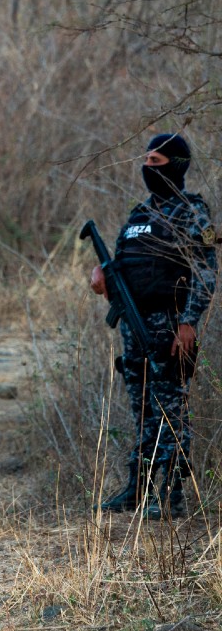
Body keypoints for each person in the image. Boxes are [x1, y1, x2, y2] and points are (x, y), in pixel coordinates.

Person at [91, 133, 216, 519]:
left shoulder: (191, 212)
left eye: (157, 162)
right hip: (134, 326)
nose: (148, 168)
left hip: (170, 326)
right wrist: (101, 277)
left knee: (171, 409)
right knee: (142, 409)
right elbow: (125, 268)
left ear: (176, 166)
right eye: (146, 161)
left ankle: (173, 494)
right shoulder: (138, 217)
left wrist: (188, 323)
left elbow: (206, 270)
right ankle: (137, 488)